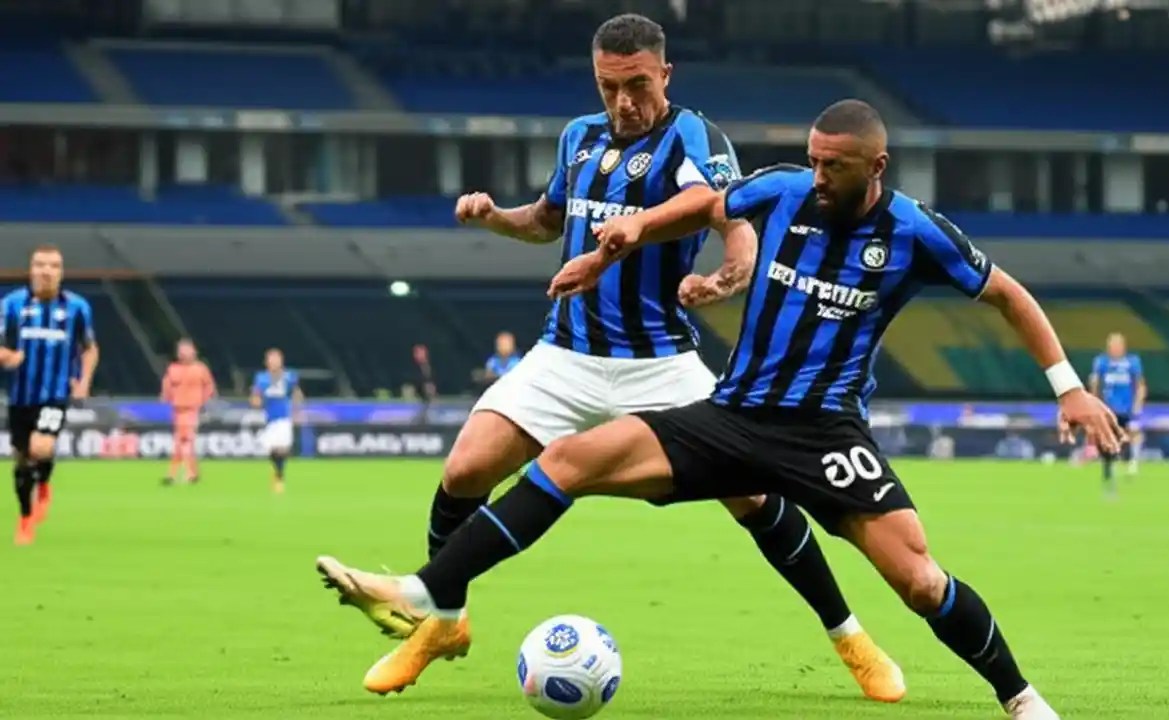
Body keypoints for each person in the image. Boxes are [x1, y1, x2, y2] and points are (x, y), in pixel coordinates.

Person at [318, 100, 1124, 719]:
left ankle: (1021, 699)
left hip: (824, 434)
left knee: (917, 581)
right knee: (564, 462)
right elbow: (709, 208)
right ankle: (428, 594)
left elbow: (1007, 294)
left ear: (875, 165)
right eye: (812, 160)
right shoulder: (778, 190)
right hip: (733, 415)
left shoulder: (914, 232)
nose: (817, 175)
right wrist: (621, 241)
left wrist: (1070, 388)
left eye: (834, 166)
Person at [317, 13, 903, 704]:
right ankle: (445, 620)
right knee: (466, 468)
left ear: (665, 75)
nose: (624, 102)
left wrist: (726, 278)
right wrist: (495, 218)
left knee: (754, 497)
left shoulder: (692, 134)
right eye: (608, 86)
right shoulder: (578, 137)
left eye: (638, 85)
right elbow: (546, 220)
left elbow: (726, 217)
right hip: (565, 350)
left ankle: (849, 635)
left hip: (658, 361)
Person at [1, 244, 97, 545]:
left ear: (61, 272)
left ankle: (43, 484)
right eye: (40, 265)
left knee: (41, 447)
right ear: (31, 270)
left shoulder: (77, 308)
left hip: (54, 393)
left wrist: (83, 382)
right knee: (21, 458)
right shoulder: (12, 305)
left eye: (53, 266)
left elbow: (90, 348)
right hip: (19, 395)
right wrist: (6, 356)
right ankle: (26, 515)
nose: (46, 271)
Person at [1089, 332, 1146, 494]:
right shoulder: (1101, 362)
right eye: (1112, 345)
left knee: (1131, 435)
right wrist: (1094, 404)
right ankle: (1108, 475)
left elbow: (1140, 385)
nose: (1115, 348)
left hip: (1127, 409)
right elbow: (1095, 384)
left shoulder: (1132, 362)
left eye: (1117, 345)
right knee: (1107, 441)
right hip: (1108, 410)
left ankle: (1131, 464)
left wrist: (1138, 405)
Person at [161, 338, 215, 486]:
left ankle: (177, 474)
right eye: (181, 351)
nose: (184, 354)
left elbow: (209, 386)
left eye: (187, 350)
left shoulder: (200, 369)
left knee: (185, 441)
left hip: (192, 409)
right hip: (178, 410)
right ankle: (190, 473)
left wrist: (203, 401)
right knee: (183, 442)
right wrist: (167, 397)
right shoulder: (173, 369)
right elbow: (167, 387)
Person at [250, 348, 302, 494]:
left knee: (282, 449)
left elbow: (296, 392)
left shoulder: (289, 376)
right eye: (271, 359)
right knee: (272, 449)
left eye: (277, 359)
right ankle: (276, 470)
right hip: (269, 419)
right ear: (266, 362)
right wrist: (255, 401)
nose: (274, 362)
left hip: (284, 418)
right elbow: (256, 394)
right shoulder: (261, 378)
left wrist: (297, 408)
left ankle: (279, 477)